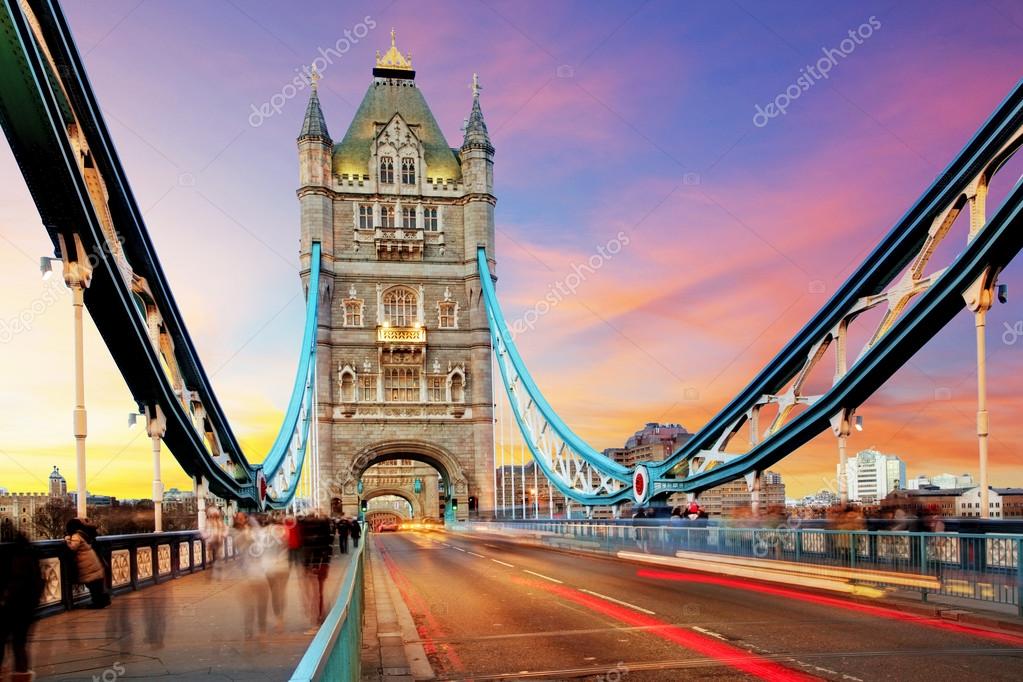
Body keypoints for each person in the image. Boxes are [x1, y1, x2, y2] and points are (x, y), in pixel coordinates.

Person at [0, 531, 44, 681]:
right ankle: (22, 674)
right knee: (19, 643)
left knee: (2, 639)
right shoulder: (33, 558)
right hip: (27, 608)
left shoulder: (9, 559)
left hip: (10, 606)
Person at [299, 510, 333, 628]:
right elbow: (328, 545)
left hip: (313, 562)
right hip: (321, 562)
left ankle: (316, 614)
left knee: (313, 590)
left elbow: (304, 547)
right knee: (319, 590)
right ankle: (319, 614)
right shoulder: (324, 527)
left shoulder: (306, 529)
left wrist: (307, 564)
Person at [65, 518, 109, 608]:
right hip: (92, 560)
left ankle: (98, 602)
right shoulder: (83, 534)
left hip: (86, 563)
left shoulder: (76, 536)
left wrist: (67, 539)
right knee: (96, 584)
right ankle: (103, 600)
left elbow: (73, 547)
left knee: (92, 585)